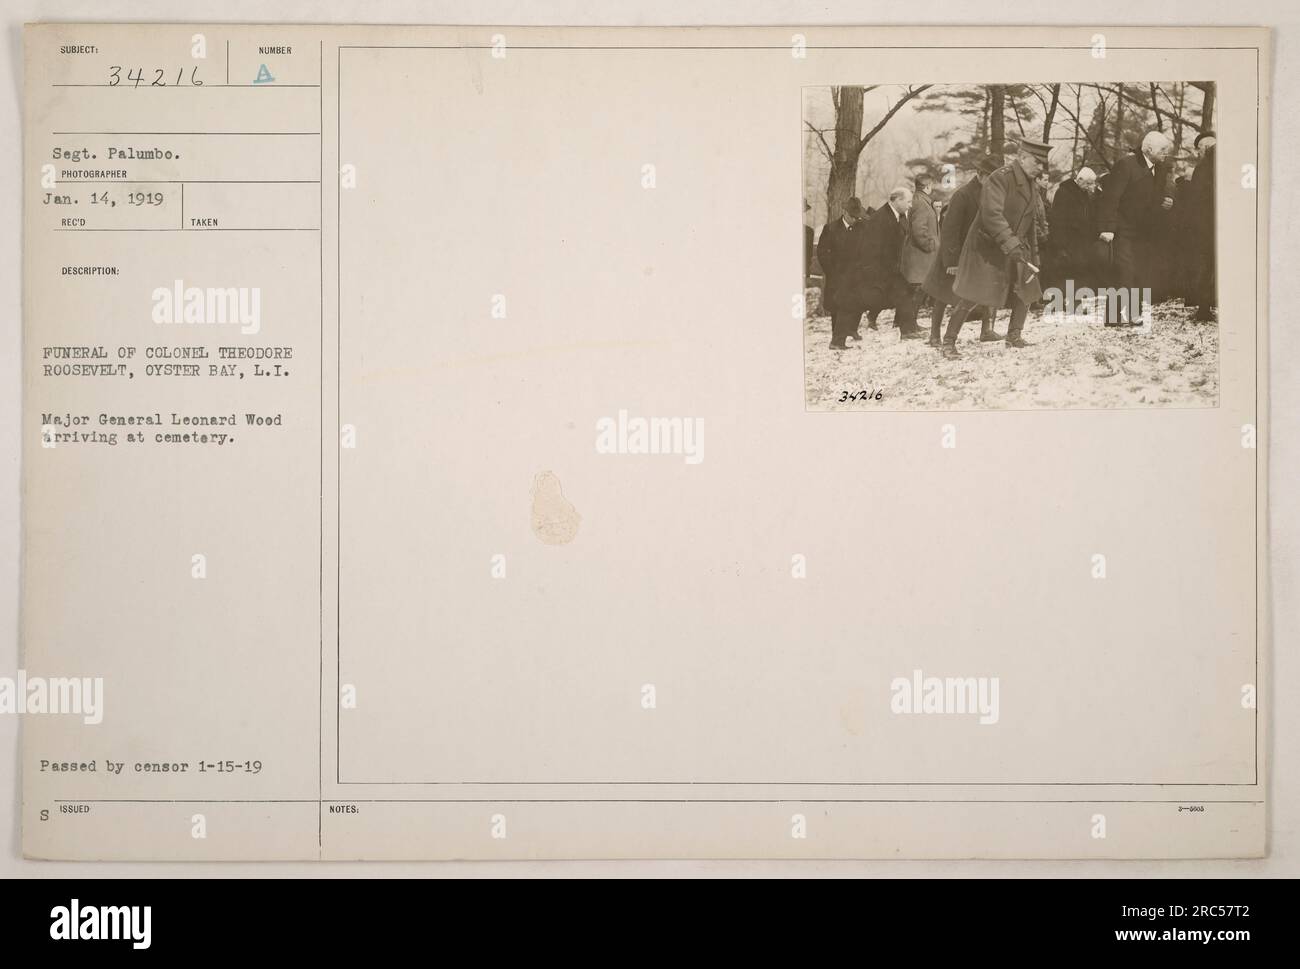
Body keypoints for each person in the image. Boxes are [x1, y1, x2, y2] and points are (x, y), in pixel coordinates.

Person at [942, 138, 1050, 357]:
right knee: (973, 294)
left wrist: (1033, 256)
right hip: (987, 247)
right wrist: (1010, 243)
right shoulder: (999, 178)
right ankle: (948, 341)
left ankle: (1014, 335)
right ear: (1022, 157)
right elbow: (992, 215)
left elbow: (1030, 224)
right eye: (1037, 162)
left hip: (1015, 245)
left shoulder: (1032, 185)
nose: (1040, 167)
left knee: (1026, 288)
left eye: (1043, 164)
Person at [1095, 130, 1175, 325]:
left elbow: (1154, 197)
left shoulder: (1160, 169)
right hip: (1123, 229)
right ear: (1149, 149)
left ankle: (1133, 313)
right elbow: (1111, 198)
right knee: (1124, 271)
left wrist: (1166, 201)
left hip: (1145, 231)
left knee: (1140, 272)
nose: (1166, 153)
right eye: (1163, 150)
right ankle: (1112, 317)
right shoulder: (1126, 165)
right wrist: (1108, 228)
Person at [924, 156, 997, 346]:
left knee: (984, 288)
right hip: (954, 253)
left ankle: (986, 330)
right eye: (991, 176)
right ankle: (934, 336)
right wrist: (952, 262)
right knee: (942, 294)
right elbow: (950, 230)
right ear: (981, 175)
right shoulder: (962, 195)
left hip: (977, 253)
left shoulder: (992, 194)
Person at [860, 186, 923, 340]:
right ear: (898, 200)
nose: (910, 205)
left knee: (903, 294)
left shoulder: (898, 216)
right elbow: (874, 248)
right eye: (908, 202)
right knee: (902, 294)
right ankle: (908, 331)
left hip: (894, 267)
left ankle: (909, 329)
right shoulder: (880, 219)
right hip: (883, 268)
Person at [815, 197, 868, 350]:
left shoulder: (862, 227)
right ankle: (837, 340)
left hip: (856, 276)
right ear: (845, 212)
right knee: (838, 308)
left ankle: (843, 336)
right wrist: (831, 271)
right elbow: (822, 252)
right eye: (852, 216)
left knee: (852, 306)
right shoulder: (831, 228)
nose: (855, 219)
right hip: (837, 276)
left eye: (857, 217)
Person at [1048, 166, 1099, 310]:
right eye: (1088, 183)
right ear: (1080, 179)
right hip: (1068, 241)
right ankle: (1061, 303)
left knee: (1078, 272)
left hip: (1080, 241)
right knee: (1066, 272)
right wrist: (1060, 245)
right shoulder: (1064, 192)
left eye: (1092, 183)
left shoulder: (1082, 193)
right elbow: (1058, 220)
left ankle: (1075, 303)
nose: (1091, 186)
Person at [1182, 130, 1216, 321]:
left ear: (1205, 146)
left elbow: (1196, 200)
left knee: (1206, 265)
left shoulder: (1204, 167)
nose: (1198, 153)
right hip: (1214, 224)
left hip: (1206, 226)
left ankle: (1204, 308)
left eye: (1199, 149)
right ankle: (1206, 307)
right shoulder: (1222, 162)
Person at [901, 172, 940, 341]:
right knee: (916, 292)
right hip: (920, 257)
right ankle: (908, 329)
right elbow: (919, 230)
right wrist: (930, 245)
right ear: (927, 186)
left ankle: (912, 325)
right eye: (931, 185)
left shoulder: (918, 200)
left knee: (918, 291)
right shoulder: (922, 204)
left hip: (919, 257)